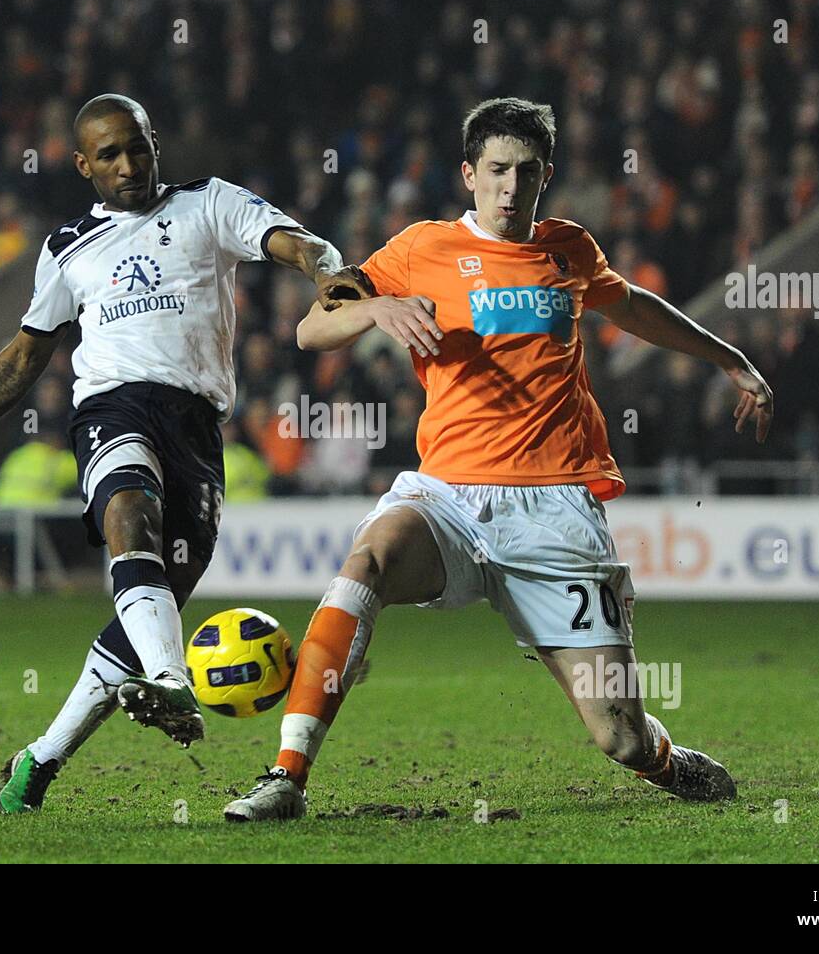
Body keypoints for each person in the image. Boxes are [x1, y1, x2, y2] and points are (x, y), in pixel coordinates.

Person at [224, 98, 774, 822]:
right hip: (448, 495)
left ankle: (663, 759)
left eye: (527, 172)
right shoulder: (419, 249)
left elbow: (632, 305)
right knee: (368, 562)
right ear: (468, 174)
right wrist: (374, 310)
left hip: (556, 510)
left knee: (620, 737)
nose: (511, 187)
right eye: (496, 171)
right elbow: (310, 327)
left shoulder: (569, 248)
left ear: (545, 176)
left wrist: (730, 359)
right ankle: (286, 777)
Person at [0, 94, 373, 813]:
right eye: (110, 155)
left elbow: (296, 239)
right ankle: (173, 681)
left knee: (140, 614)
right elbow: (29, 351)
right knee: (129, 511)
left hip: (198, 429)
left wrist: (323, 272)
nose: (128, 165)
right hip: (113, 405)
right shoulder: (66, 249)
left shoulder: (208, 204)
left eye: (139, 148)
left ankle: (38, 763)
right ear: (83, 163)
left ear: (156, 145)